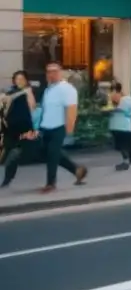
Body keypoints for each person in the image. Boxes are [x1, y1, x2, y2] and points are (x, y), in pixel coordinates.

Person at [35, 62, 87, 192]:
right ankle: (77, 170)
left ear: (60, 72)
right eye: (48, 72)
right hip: (45, 127)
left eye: (54, 71)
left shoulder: (67, 88)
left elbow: (71, 108)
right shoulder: (48, 90)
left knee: (53, 154)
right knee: (48, 153)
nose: (51, 74)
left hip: (59, 127)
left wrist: (69, 128)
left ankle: (50, 183)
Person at [1, 71, 37, 188]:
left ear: (26, 80)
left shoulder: (27, 92)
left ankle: (7, 179)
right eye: (17, 79)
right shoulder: (11, 93)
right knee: (10, 154)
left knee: (14, 155)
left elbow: (32, 109)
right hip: (11, 129)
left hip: (24, 129)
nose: (19, 81)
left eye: (22, 79)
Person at [108, 82, 131, 170]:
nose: (112, 94)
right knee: (126, 144)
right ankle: (130, 159)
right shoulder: (127, 99)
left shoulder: (125, 100)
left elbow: (122, 109)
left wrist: (112, 109)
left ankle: (126, 162)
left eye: (113, 91)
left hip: (120, 125)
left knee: (123, 144)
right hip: (122, 125)